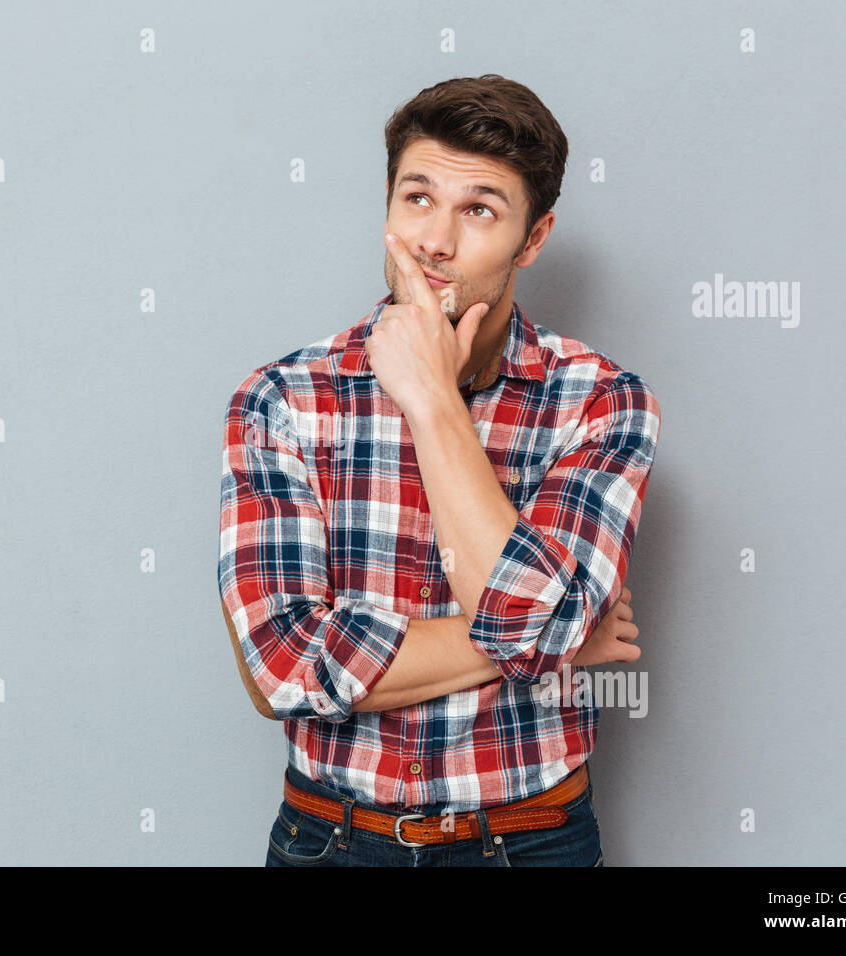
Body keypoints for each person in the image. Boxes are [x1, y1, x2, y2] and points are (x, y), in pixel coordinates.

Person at [217, 74, 661, 866]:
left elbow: (535, 629)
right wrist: (555, 638)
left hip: (532, 842)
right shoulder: (281, 399)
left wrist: (432, 403)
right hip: (334, 840)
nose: (435, 241)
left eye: (479, 210)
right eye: (416, 198)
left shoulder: (603, 403)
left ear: (533, 239)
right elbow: (281, 670)